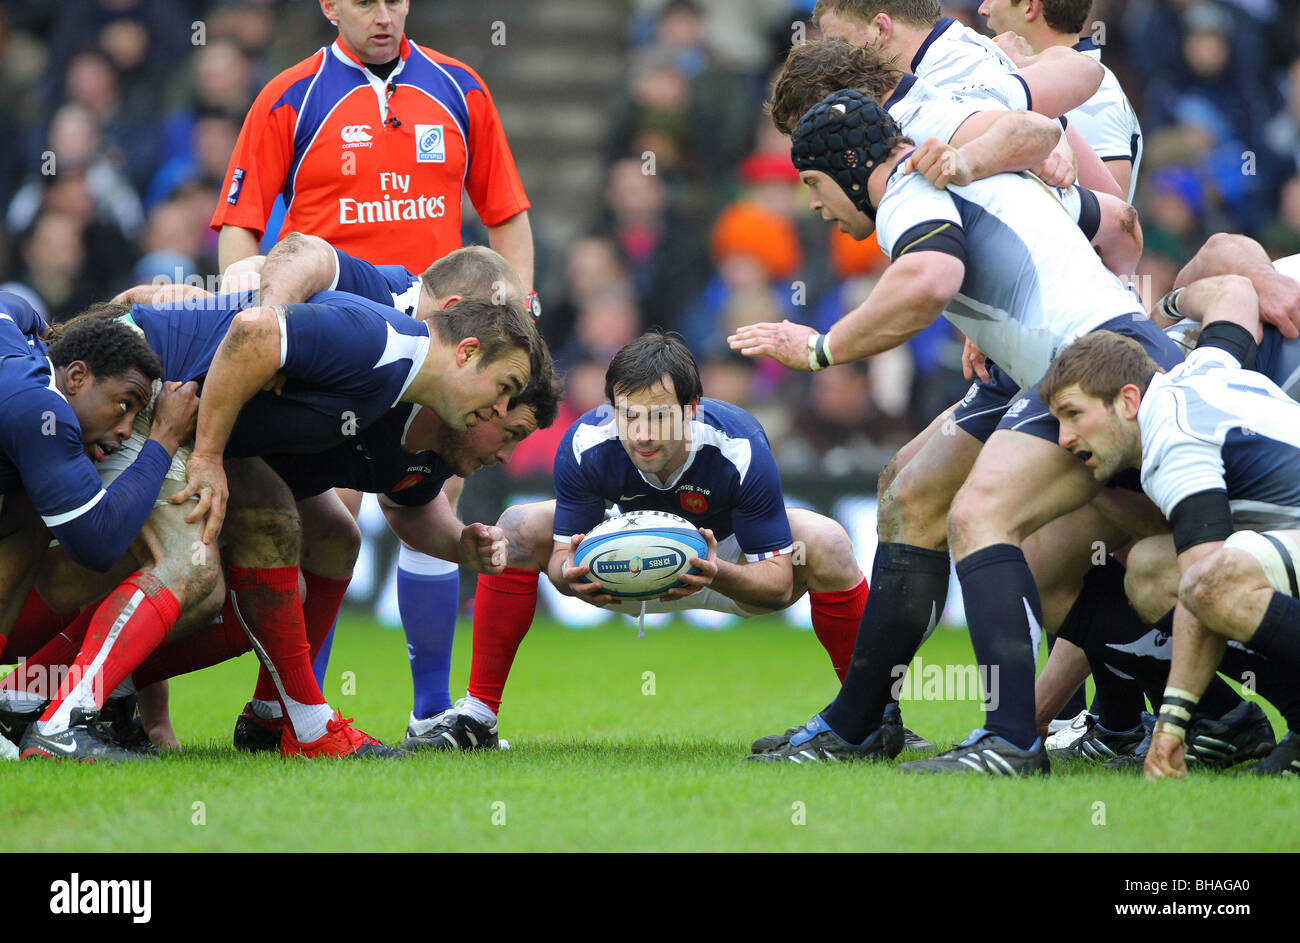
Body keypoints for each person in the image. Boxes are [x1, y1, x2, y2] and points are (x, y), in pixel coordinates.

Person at [729, 90, 1182, 773]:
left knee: (979, 512)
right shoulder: (970, 164)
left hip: (1095, 369)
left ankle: (1008, 741)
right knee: (1046, 562)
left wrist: (821, 348)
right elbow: (1116, 219)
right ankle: (1226, 719)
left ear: (853, 168)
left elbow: (930, 279)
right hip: (1109, 359)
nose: (816, 207)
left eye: (817, 186)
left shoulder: (911, 187)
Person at [209, 0, 536, 723]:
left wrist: (522, 318)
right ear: (329, 4)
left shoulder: (461, 90)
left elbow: (507, 214)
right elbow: (240, 225)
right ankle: (302, 709)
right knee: (327, 520)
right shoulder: (288, 96)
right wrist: (248, 305)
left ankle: (427, 711)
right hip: (334, 344)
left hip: (444, 352)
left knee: (427, 501)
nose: (383, 14)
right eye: (363, 1)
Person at [406, 331, 884, 755]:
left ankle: (869, 718)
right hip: (619, 568)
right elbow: (558, 559)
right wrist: (569, 578)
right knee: (515, 525)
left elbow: (779, 587)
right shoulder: (585, 443)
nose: (641, 434)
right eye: (628, 416)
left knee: (828, 540)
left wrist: (716, 571)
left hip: (727, 567)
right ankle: (478, 716)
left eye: (658, 417)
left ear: (692, 409)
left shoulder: (739, 444)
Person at [1039, 276, 1300, 780]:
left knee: (1205, 585)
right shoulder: (1203, 367)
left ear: (1129, 401)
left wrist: (1171, 726)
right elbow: (1233, 290)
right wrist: (1163, 308)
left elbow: (1206, 588)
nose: (1065, 438)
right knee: (1152, 568)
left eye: (1073, 415)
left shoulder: (1172, 442)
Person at [0, 292, 197, 657]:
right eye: (124, 404)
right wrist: (164, 439)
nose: (125, 430)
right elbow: (98, 542)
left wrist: (48, 332)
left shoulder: (11, 336)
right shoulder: (44, 414)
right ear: (76, 375)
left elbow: (10, 303)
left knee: (28, 513)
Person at [977, 0, 1143, 201]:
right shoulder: (1069, 83)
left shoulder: (1094, 99)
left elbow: (1114, 211)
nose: (983, 9)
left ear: (1030, 7)